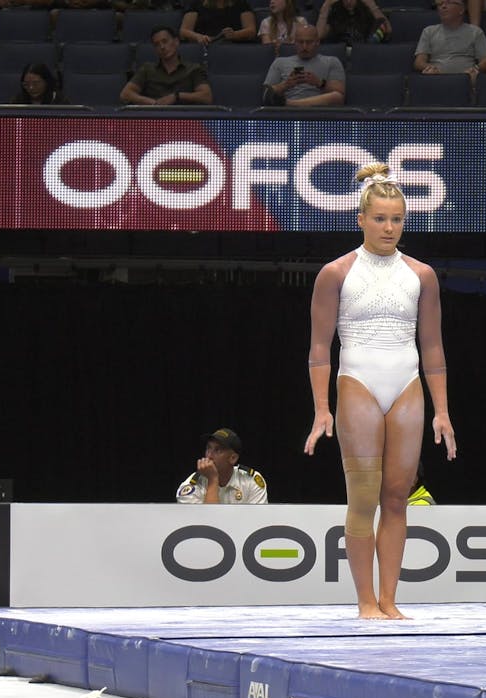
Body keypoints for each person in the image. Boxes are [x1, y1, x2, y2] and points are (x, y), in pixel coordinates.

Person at [304, 161, 458, 620]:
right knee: (364, 498)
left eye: (396, 219)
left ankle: (389, 600)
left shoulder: (421, 275)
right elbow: (318, 347)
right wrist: (321, 410)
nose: (388, 227)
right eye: (379, 218)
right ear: (360, 219)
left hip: (408, 384)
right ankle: (365, 601)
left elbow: (432, 346)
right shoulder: (336, 272)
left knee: (397, 498)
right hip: (358, 382)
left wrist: (442, 411)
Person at [121, 26, 215, 105]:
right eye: (157, 44)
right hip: (154, 119)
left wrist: (176, 96)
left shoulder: (194, 68)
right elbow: (125, 94)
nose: (162, 47)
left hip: (184, 121)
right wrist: (153, 103)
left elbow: (206, 97)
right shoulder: (147, 69)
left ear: (176, 42)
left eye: (165, 41)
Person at [176, 428, 268, 504]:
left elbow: (257, 522)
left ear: (233, 458)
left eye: (218, 450)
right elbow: (208, 524)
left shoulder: (251, 481)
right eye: (208, 448)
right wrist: (213, 480)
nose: (209, 456)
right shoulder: (191, 486)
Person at [262, 24, 346, 106]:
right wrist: (286, 85)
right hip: (287, 111)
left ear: (317, 42)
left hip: (319, 108)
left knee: (336, 96)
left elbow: (340, 93)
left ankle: (291, 104)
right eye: (300, 42)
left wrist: (319, 83)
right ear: (294, 42)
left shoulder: (331, 61)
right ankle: (292, 104)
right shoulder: (280, 62)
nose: (304, 46)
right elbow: (266, 94)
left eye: (309, 42)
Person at [414, 0, 486, 78]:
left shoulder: (475, 31)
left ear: (461, 10)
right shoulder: (428, 31)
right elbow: (419, 62)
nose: (443, 6)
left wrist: (476, 69)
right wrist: (428, 67)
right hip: (436, 77)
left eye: (448, 3)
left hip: (466, 78)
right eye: (440, 4)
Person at [316, 0, 392, 45]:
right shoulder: (335, 13)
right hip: (341, 55)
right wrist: (326, 5)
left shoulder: (367, 12)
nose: (348, 2)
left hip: (364, 51)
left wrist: (371, 5)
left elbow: (388, 29)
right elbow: (319, 35)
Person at [182, 0, 256, 45]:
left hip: (233, 47)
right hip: (205, 47)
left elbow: (251, 31)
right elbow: (184, 31)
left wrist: (235, 34)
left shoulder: (241, 3)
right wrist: (197, 36)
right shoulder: (196, 4)